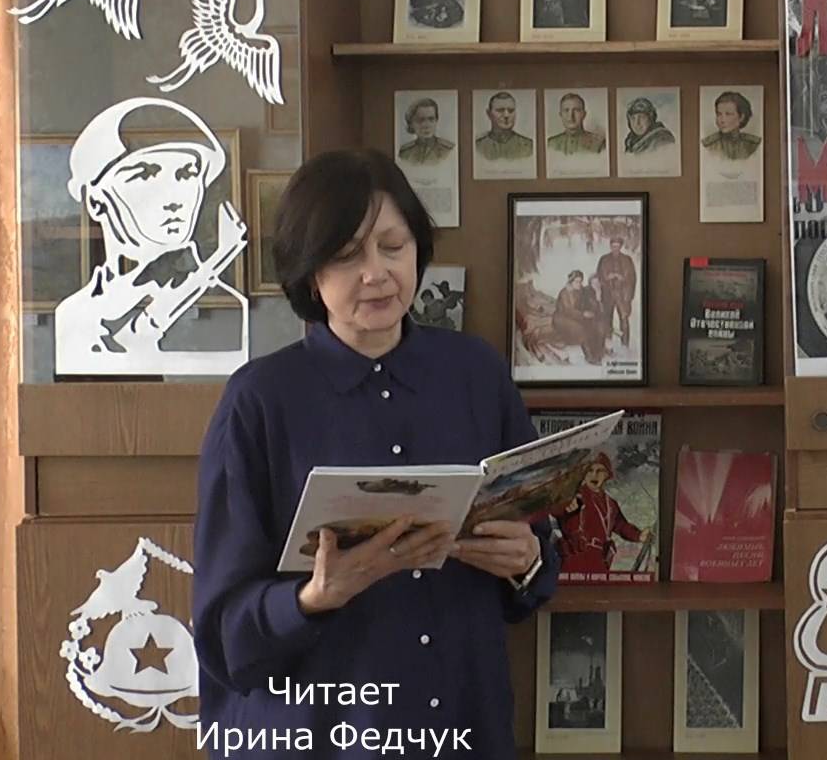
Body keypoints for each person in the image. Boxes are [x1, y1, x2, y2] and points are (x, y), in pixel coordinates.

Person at [193, 149, 553, 759]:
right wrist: (314, 598)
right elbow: (223, 635)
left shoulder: (476, 374)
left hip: (462, 726)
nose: (377, 273)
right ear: (310, 272)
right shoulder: (259, 401)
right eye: (347, 255)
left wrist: (528, 559)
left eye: (393, 246)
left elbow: (536, 553)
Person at [57, 96, 248, 374]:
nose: (174, 197)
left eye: (187, 174)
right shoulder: (73, 312)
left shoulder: (223, 307)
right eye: (145, 175)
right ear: (96, 202)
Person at [555, 452, 650, 576]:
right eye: (590, 470)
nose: (594, 475)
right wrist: (568, 507)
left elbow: (620, 525)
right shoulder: (575, 496)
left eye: (600, 471)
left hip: (600, 557)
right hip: (578, 556)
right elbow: (561, 513)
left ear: (607, 474)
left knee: (599, 586)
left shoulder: (610, 503)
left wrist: (638, 535)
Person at [596, 236, 638, 348]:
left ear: (621, 247)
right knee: (607, 318)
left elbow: (632, 278)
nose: (615, 249)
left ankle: (625, 343)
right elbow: (598, 276)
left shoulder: (627, 260)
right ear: (610, 246)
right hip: (608, 293)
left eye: (617, 246)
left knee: (624, 319)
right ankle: (608, 342)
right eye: (613, 246)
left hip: (622, 295)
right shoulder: (604, 259)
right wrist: (607, 277)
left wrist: (622, 279)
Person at [701, 90, 762, 161]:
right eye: (719, 114)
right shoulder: (708, 145)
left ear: (741, 117)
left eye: (728, 114)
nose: (722, 120)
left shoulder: (754, 145)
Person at [474, 91, 534, 161]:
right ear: (489, 114)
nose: (506, 115)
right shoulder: (478, 147)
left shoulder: (529, 146)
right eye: (500, 110)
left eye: (511, 110)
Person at [397, 96, 454, 166]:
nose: (426, 125)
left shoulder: (449, 150)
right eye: (420, 120)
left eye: (431, 119)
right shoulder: (404, 152)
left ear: (436, 121)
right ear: (411, 123)